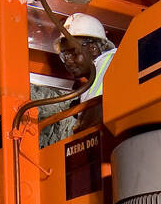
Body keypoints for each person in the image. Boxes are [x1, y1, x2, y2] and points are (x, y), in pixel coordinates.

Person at [40, 13, 115, 144]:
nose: (68, 61)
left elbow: (99, 113)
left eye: (72, 53)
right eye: (64, 55)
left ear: (93, 48)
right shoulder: (94, 78)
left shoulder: (113, 62)